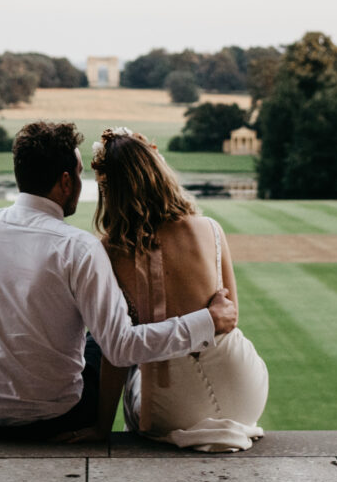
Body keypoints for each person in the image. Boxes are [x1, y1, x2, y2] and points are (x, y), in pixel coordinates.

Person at [0, 120, 237, 441]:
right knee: (106, 332)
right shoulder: (79, 247)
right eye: (81, 173)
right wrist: (207, 321)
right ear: (66, 181)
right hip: (52, 417)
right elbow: (121, 347)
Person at [93, 127, 268, 451]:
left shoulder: (111, 250)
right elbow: (230, 318)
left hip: (171, 408)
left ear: (109, 189)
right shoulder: (209, 228)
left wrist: (101, 427)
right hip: (245, 390)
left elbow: (113, 354)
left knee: (108, 338)